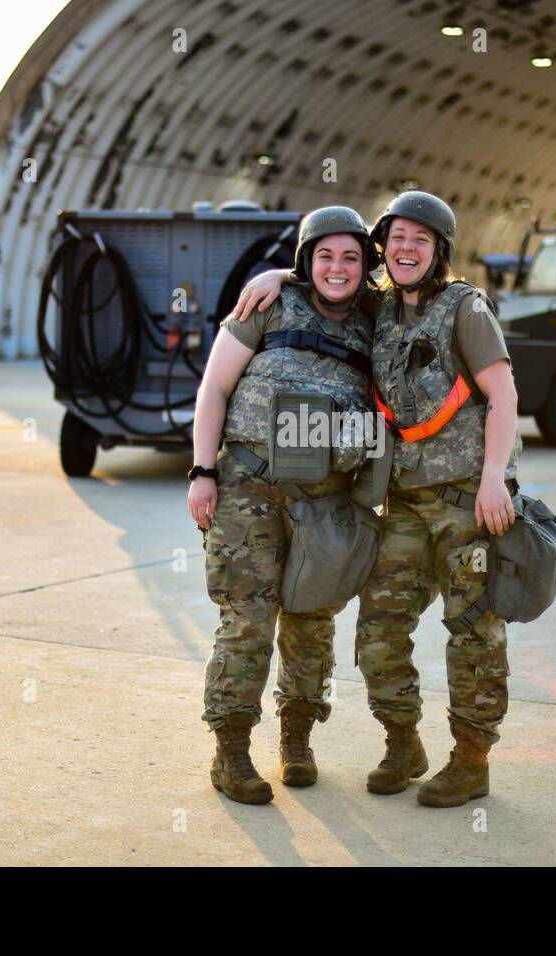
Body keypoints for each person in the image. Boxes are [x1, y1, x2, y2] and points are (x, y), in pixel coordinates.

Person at [231, 192, 522, 808]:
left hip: (469, 499)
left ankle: (471, 761)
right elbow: (323, 274)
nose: (406, 249)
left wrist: (496, 476)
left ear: (439, 250)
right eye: (397, 239)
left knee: (473, 631)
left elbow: (503, 393)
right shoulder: (380, 308)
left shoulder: (464, 306)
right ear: (382, 248)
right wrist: (278, 271)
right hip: (406, 504)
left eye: (421, 239)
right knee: (378, 629)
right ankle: (403, 742)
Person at [189, 206, 378, 804]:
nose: (338, 267)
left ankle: (296, 739)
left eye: (351, 256)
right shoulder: (266, 305)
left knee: (310, 619)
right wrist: (202, 470)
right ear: (306, 261)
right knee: (246, 617)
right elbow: (214, 389)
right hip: (249, 484)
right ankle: (232, 751)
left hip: (324, 496)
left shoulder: (377, 322)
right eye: (324, 255)